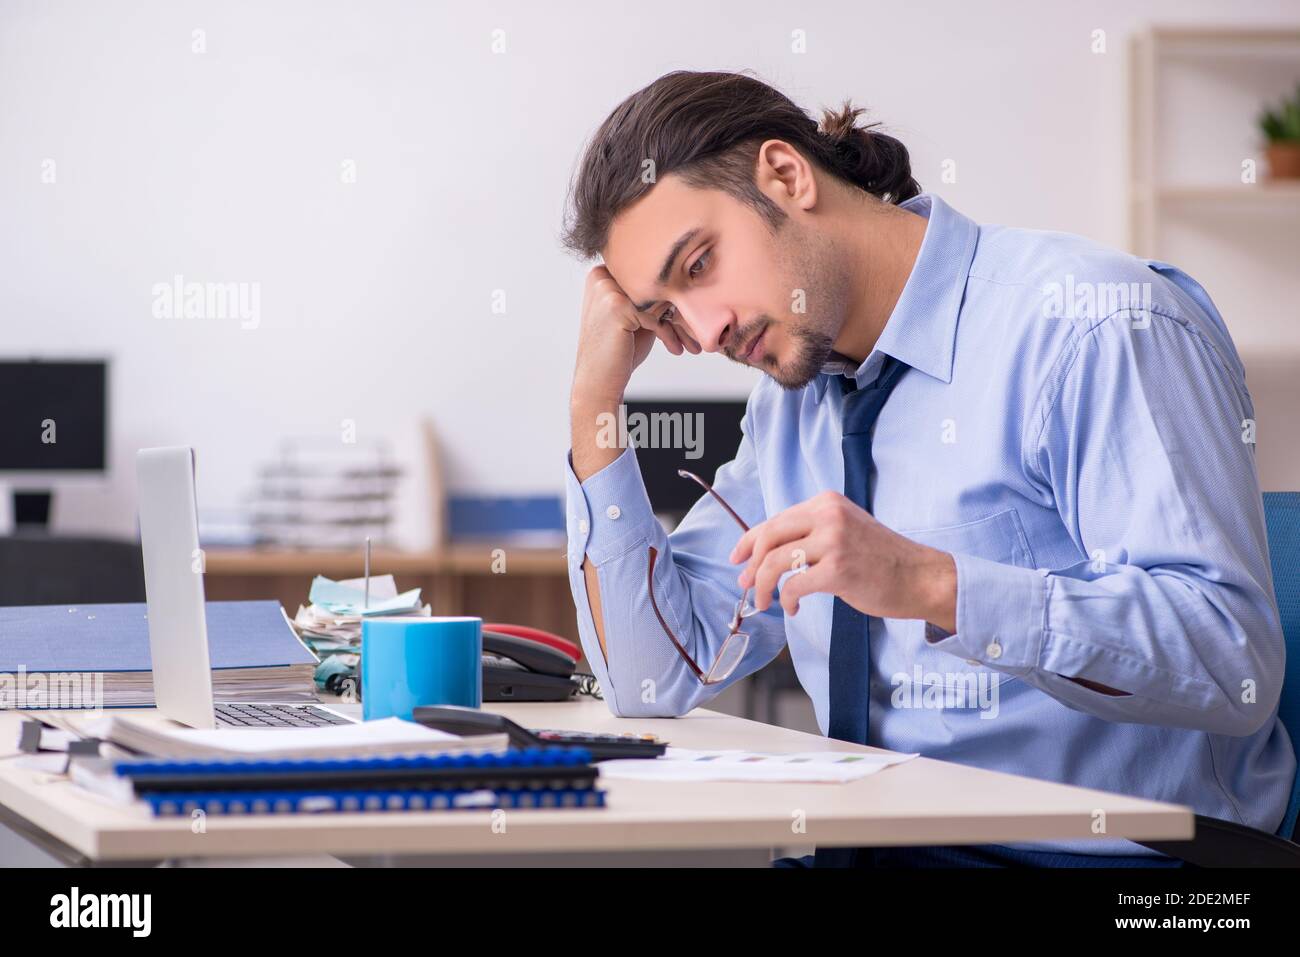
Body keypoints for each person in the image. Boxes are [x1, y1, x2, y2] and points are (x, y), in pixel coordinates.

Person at [558, 70, 1293, 866]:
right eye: (665, 312)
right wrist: (594, 403)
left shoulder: (1096, 327)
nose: (705, 332)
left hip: (1112, 865)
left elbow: (1231, 660)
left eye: (699, 265)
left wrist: (935, 585)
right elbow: (656, 680)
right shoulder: (791, 405)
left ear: (786, 175)